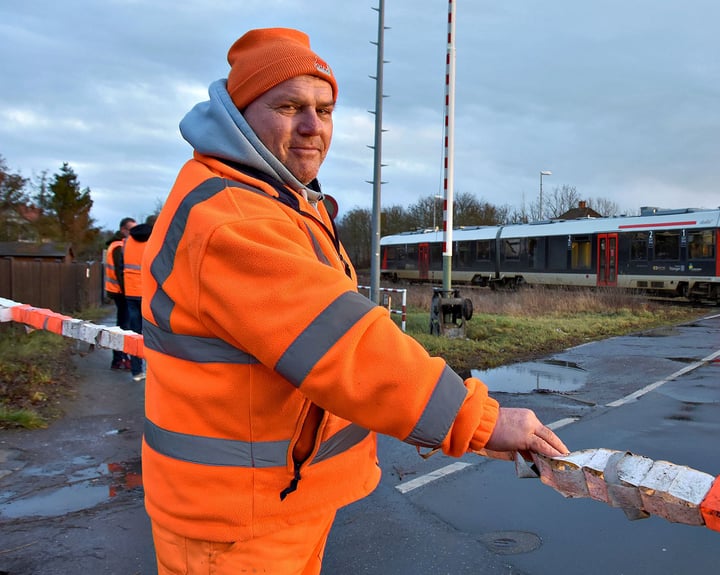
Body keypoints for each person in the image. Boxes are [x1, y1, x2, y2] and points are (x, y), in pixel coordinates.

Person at [140, 28, 569, 574]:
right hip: (236, 524)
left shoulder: (273, 200)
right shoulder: (233, 220)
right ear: (240, 113)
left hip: (272, 499)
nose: (312, 126)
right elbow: (346, 346)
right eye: (289, 105)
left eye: (324, 108)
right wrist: (478, 420)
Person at [122, 215, 153, 381]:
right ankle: (154, 372)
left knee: (134, 333)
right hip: (149, 293)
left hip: (131, 293)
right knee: (153, 334)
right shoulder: (154, 240)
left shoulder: (127, 241)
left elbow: (122, 265)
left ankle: (137, 371)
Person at [103, 220, 133, 369]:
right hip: (121, 292)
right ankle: (120, 358)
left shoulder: (116, 245)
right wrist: (128, 292)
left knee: (123, 325)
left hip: (118, 291)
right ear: (123, 230)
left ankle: (120, 358)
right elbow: (120, 272)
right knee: (124, 326)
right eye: (130, 230)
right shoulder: (118, 247)